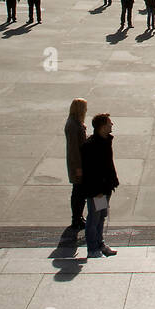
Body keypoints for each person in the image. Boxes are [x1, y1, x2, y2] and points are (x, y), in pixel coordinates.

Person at [81, 112, 119, 258]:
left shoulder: (105, 140)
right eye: (109, 122)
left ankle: (100, 243)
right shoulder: (91, 145)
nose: (112, 124)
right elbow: (91, 171)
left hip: (105, 188)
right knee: (94, 218)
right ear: (102, 126)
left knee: (101, 216)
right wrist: (97, 190)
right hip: (97, 191)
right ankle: (92, 248)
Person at [64, 98, 87, 232]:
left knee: (79, 192)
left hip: (79, 163)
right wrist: (78, 168)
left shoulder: (75, 122)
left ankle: (78, 217)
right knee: (78, 192)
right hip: (78, 165)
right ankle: (76, 218)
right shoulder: (73, 125)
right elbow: (74, 149)